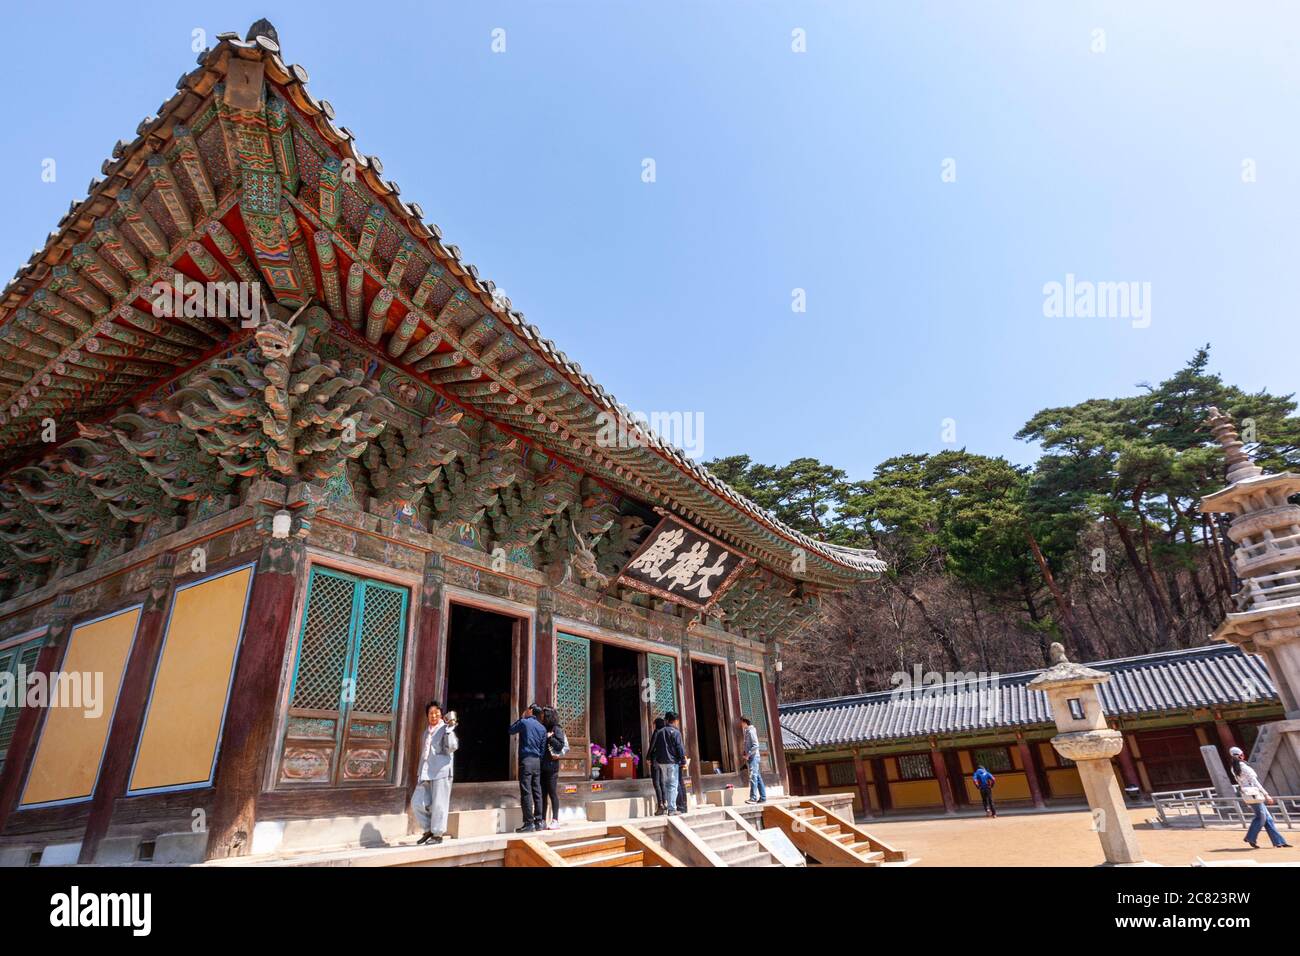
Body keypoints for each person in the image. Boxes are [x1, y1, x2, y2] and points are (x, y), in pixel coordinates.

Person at [411, 700, 458, 845]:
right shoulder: (426, 732)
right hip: (426, 772)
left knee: (439, 804)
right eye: (431, 713)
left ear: (441, 715)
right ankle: (428, 829)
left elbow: (452, 747)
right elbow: (424, 754)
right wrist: (420, 772)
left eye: (436, 713)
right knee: (417, 802)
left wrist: (449, 731)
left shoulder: (445, 728)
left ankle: (437, 834)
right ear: (427, 716)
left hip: (441, 771)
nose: (433, 716)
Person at [1229, 746, 1292, 849]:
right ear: (1240, 755)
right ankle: (1250, 837)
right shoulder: (1244, 766)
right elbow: (1255, 782)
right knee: (1261, 817)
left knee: (1268, 819)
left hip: (1248, 794)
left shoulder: (1234, 768)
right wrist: (1266, 794)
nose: (1243, 755)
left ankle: (1279, 842)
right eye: (1242, 754)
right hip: (1254, 794)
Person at [509, 704, 547, 832]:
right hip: (537, 761)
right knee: (537, 791)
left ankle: (528, 823)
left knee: (526, 791)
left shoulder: (524, 722)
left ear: (530, 711)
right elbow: (542, 750)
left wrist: (521, 718)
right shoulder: (542, 728)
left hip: (526, 760)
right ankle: (539, 821)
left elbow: (511, 730)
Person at [649, 710, 687, 815]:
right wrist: (683, 760)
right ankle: (672, 808)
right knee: (673, 785)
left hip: (662, 762)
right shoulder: (676, 732)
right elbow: (679, 748)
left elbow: (656, 747)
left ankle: (669, 806)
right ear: (675, 720)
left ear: (667, 720)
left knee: (666, 784)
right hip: (672, 762)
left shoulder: (660, 732)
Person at [540, 706, 569, 830]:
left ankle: (555, 820)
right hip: (542, 765)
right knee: (543, 794)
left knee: (552, 792)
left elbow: (560, 745)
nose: (542, 717)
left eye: (544, 716)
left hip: (552, 767)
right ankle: (542, 820)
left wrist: (550, 738)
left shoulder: (557, 729)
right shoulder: (543, 728)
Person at [741, 717, 766, 804]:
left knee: (753, 777)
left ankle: (753, 798)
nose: (740, 724)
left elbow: (756, 745)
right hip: (752, 757)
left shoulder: (751, 731)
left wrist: (748, 754)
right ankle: (763, 797)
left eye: (741, 722)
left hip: (754, 757)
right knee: (757, 777)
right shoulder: (747, 731)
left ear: (745, 722)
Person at [647, 716, 667, 813]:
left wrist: (647, 757)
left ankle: (660, 804)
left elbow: (652, 746)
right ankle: (665, 801)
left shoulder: (657, 732)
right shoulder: (665, 733)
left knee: (656, 782)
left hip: (655, 759)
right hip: (663, 760)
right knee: (662, 782)